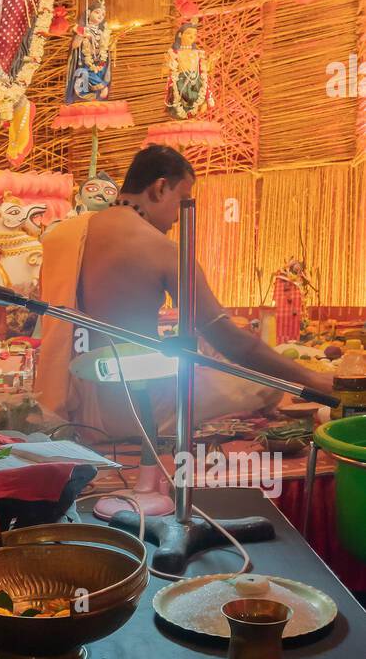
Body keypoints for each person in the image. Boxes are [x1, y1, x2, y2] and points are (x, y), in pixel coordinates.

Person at [35, 144, 333, 440]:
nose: (179, 217)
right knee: (267, 386)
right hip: (137, 409)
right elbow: (234, 344)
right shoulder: (162, 249)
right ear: (160, 188)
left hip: (66, 405)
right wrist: (316, 381)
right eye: (183, 200)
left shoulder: (62, 236)